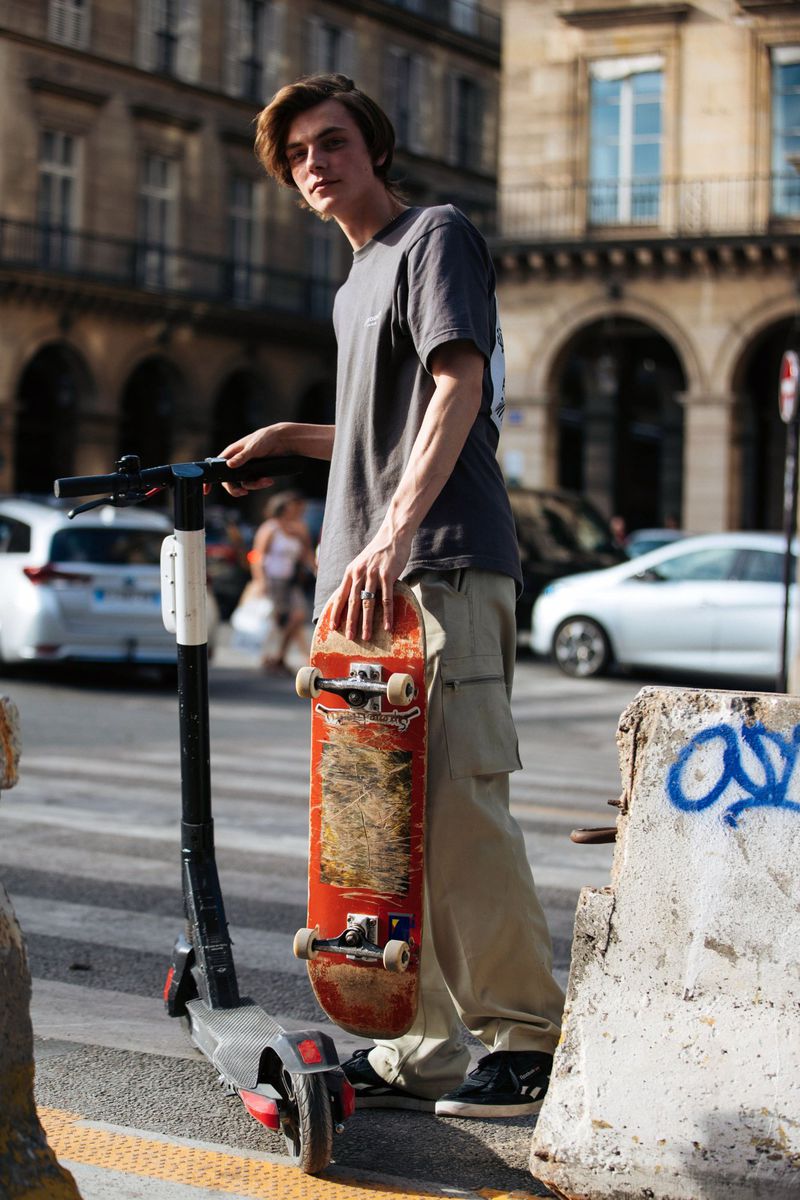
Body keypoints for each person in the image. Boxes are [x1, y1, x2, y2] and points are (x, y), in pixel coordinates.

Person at [218, 73, 564, 1119]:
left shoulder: (433, 239)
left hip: (440, 561)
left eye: (332, 144)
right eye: (298, 158)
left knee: (457, 808)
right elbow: (384, 425)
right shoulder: (352, 283)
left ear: (374, 148)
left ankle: (525, 1038)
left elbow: (455, 384)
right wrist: (289, 441)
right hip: (365, 583)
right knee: (379, 830)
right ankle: (426, 1049)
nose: (315, 166)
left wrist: (395, 530)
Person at [250, 491, 316, 674]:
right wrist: (260, 580)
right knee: (277, 620)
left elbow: (306, 553)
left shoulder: (299, 528)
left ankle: (280, 655)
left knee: (298, 616)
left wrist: (317, 570)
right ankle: (279, 657)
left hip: (290, 580)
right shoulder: (270, 528)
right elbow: (258, 556)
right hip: (272, 580)